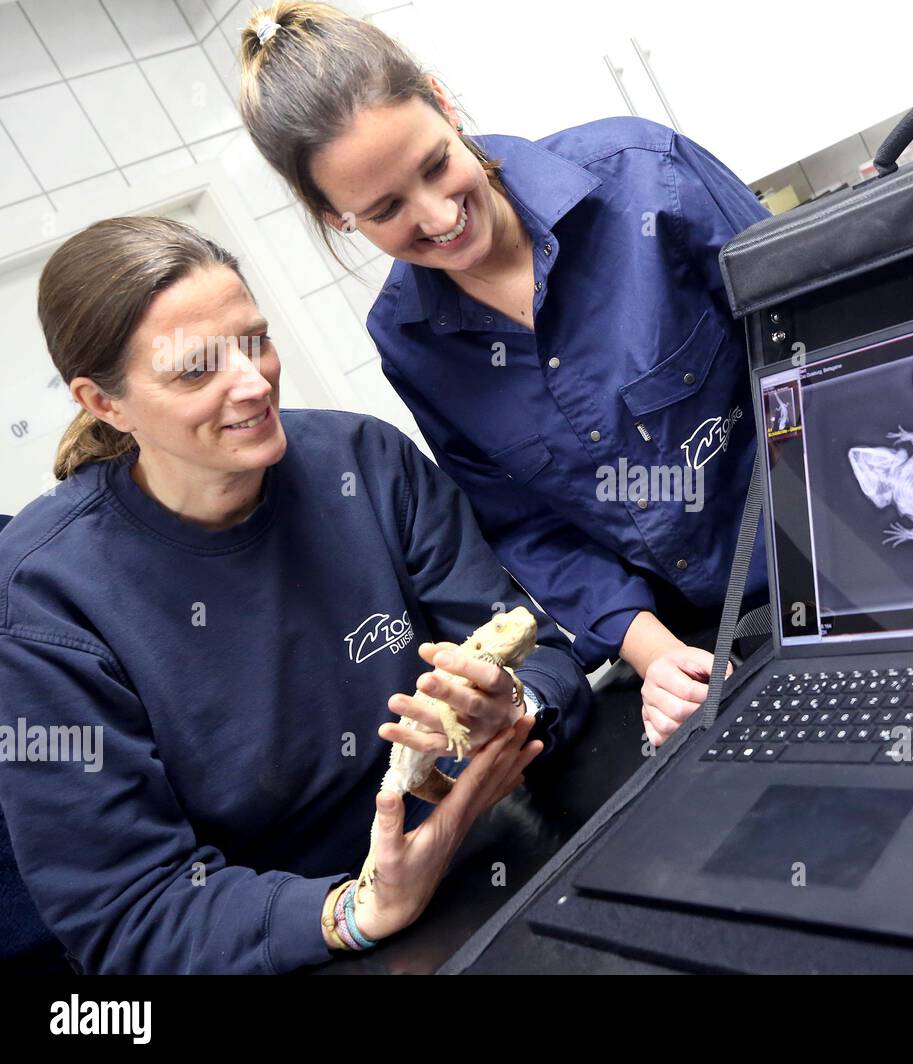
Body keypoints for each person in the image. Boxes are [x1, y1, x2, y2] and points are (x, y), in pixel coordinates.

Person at [0, 216, 589, 974]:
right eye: (194, 370)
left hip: (485, 863)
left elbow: (541, 654)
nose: (252, 383)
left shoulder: (365, 463)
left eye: (254, 340)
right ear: (105, 402)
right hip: (287, 946)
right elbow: (127, 908)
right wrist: (358, 909)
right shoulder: (43, 596)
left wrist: (513, 707)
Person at [236, 3, 771, 746]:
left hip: (850, 545)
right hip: (693, 640)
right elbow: (528, 529)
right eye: (386, 209)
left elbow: (821, 342)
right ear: (335, 217)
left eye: (435, 165)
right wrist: (658, 657)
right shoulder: (409, 341)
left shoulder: (646, 177)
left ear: (442, 101)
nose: (438, 216)